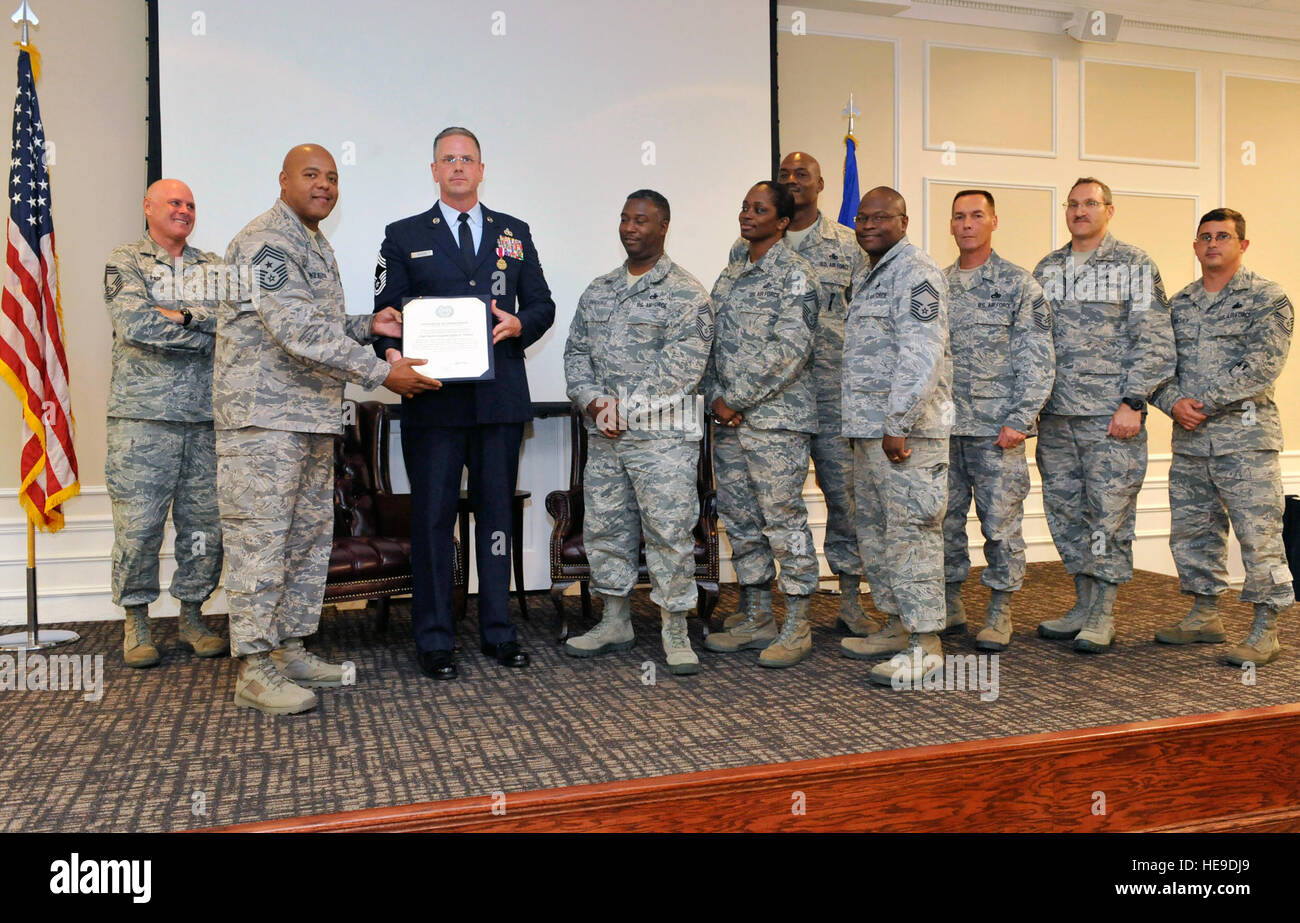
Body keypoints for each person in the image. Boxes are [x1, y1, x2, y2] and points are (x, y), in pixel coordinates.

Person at [215, 144, 435, 715]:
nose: (324, 186)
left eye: (333, 178)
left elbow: (317, 323)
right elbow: (297, 332)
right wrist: (383, 370)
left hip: (308, 419)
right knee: (261, 542)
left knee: (304, 540)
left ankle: (287, 648)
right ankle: (254, 669)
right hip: (264, 422)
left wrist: (369, 324)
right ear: (282, 179)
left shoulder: (312, 241)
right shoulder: (267, 240)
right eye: (311, 175)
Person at [372, 127, 555, 680]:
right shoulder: (401, 235)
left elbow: (542, 304)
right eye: (447, 160)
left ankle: (498, 632)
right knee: (433, 521)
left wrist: (522, 323)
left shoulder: (513, 233)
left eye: (466, 160)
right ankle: (434, 639)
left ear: (481, 169)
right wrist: (394, 355)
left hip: (498, 400)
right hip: (433, 403)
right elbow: (384, 315)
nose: (457, 168)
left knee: (497, 518)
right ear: (434, 171)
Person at [562, 190, 713, 675]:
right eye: (625, 218)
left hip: (663, 440)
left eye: (641, 220)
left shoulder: (687, 293)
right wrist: (591, 401)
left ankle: (675, 627)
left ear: (663, 226)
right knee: (607, 528)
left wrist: (622, 408)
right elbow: (575, 353)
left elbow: (683, 367)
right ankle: (615, 620)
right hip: (606, 437)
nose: (630, 227)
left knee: (668, 533)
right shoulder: (599, 289)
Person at [722, 152, 870, 636]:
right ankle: (759, 611)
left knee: (843, 503)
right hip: (763, 406)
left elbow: (867, 323)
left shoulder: (848, 245)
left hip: (830, 397)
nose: (792, 180)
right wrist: (730, 399)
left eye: (800, 175)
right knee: (751, 510)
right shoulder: (738, 257)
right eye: (784, 175)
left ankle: (849, 600)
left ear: (821, 184)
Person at [1033, 178, 1174, 653]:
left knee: (1108, 514)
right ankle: (1082, 601)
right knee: (1065, 511)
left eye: (1090, 204)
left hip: (1110, 417)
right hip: (1056, 417)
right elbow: (1033, 343)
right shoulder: (1048, 268)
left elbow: (1154, 339)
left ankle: (1103, 612)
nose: (1079, 211)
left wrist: (1133, 402)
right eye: (1072, 204)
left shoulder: (1134, 265)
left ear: (1109, 211)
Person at [1152, 208, 1293, 665]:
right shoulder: (1180, 304)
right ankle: (1203, 614)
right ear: (1195, 247)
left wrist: (1202, 403)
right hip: (1192, 441)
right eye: (1205, 237)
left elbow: (1262, 366)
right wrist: (1173, 402)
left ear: (1242, 245)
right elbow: (1158, 365)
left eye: (1223, 237)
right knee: (1193, 532)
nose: (1213, 244)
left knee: (1259, 535)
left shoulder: (1267, 298)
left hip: (1246, 442)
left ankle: (1265, 628)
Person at [103, 179, 226, 667]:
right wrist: (200, 326)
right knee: (139, 527)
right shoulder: (126, 260)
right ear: (148, 207)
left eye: (191, 204)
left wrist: (182, 316)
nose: (184, 210)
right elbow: (136, 324)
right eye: (174, 202)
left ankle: (192, 617)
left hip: (205, 419)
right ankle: (136, 622)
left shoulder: (213, 267)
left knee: (204, 527)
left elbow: (231, 323)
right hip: (142, 420)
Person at [702, 180, 821, 668]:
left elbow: (789, 351)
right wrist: (715, 398)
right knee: (742, 522)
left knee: (782, 521)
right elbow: (707, 342)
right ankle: (757, 616)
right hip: (729, 424)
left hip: (776, 423)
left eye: (759, 209)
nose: (747, 215)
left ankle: (797, 623)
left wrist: (736, 398)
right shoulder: (730, 276)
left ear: (783, 221)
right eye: (744, 207)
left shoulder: (797, 275)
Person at [840, 186, 953, 687]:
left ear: (904, 221)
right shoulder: (869, 273)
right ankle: (894, 623)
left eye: (879, 217)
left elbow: (921, 353)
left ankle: (926, 643)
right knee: (879, 534)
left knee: (912, 538)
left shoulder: (916, 272)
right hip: (871, 433)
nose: (866, 224)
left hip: (906, 435)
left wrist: (898, 422)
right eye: (862, 217)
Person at [942, 190, 1054, 651]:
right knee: (942, 522)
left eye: (976, 216)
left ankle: (1000, 609)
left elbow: (1039, 360)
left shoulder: (1018, 285)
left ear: (993, 222)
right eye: (959, 217)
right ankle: (949, 603)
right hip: (943, 431)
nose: (967, 224)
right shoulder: (937, 284)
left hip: (997, 432)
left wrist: (1020, 419)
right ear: (951, 225)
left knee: (1000, 525)